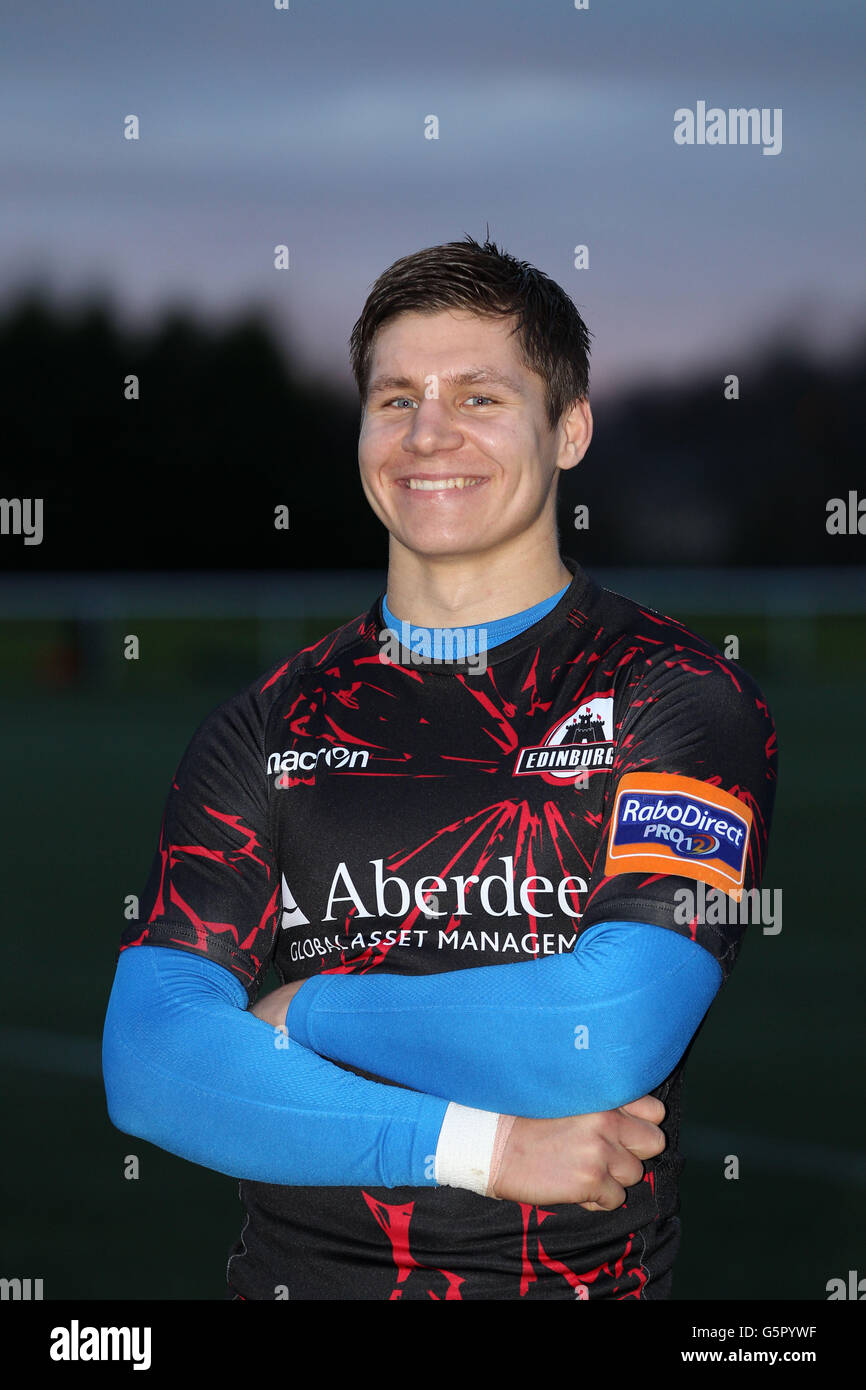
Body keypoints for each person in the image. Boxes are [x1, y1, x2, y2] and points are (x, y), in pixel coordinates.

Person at [102, 235, 777, 1300]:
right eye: (395, 398)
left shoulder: (672, 695)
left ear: (569, 430)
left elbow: (598, 1035)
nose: (428, 434)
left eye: (478, 397)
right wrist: (485, 1148)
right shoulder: (267, 723)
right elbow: (152, 1064)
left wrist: (302, 1009)